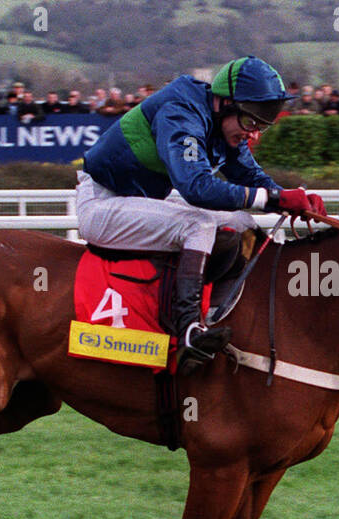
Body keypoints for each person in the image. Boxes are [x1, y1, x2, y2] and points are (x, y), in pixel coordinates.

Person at [76, 56, 323, 373]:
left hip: (135, 203)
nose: (254, 135)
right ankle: (189, 331)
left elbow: (251, 178)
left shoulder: (224, 121)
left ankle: (217, 317)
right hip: (101, 206)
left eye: (262, 128)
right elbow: (196, 188)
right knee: (199, 222)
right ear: (224, 103)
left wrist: (293, 198)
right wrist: (274, 199)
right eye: (250, 124)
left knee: (242, 223)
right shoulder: (181, 113)